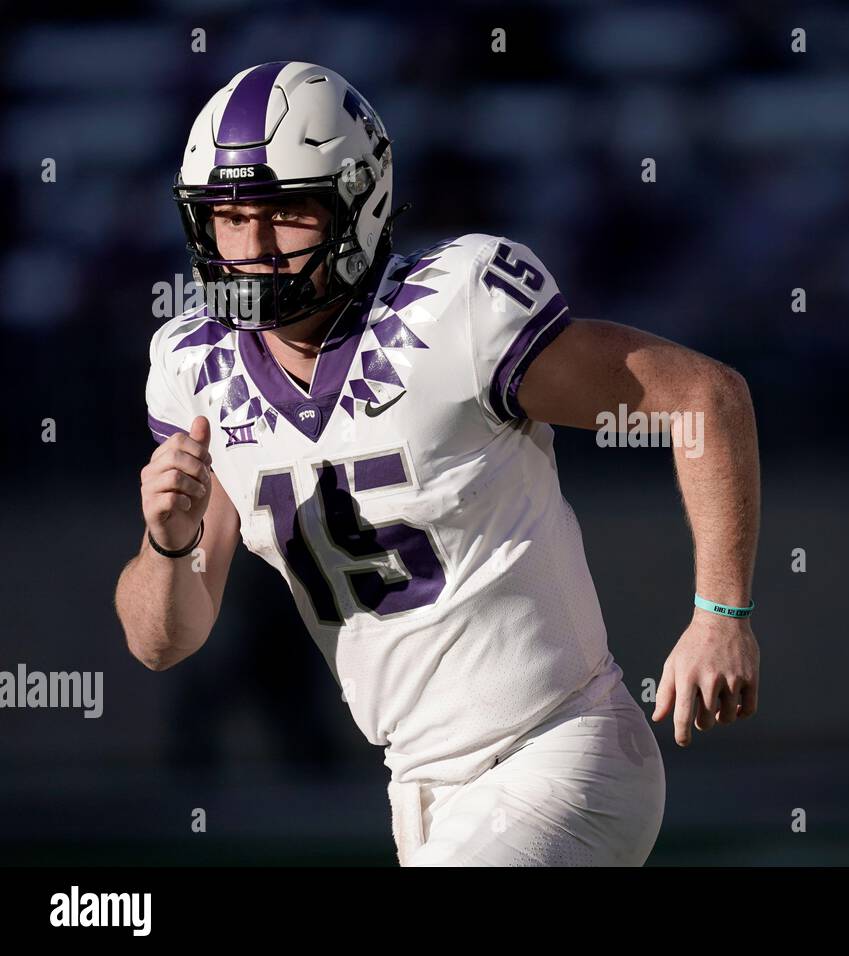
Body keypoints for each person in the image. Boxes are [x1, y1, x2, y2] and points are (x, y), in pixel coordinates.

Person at [113, 61, 760, 866]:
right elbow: (162, 640)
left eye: (286, 214)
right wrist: (168, 543)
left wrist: (719, 615)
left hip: (559, 752)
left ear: (359, 202)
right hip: (419, 790)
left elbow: (704, 396)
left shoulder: (455, 308)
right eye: (232, 218)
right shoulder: (194, 370)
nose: (256, 248)